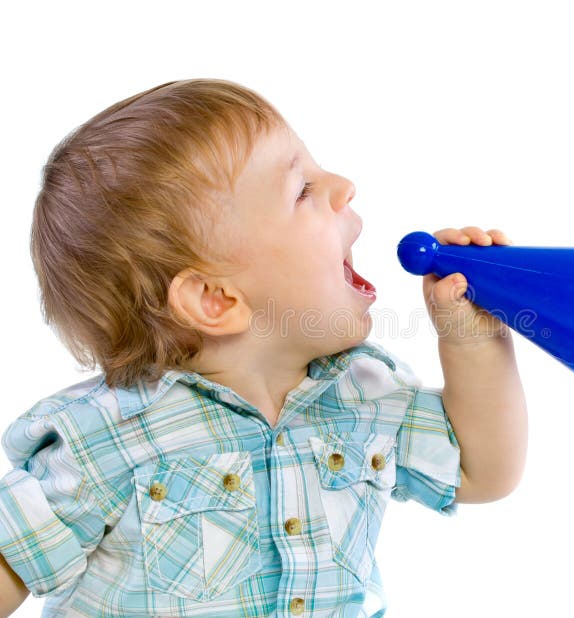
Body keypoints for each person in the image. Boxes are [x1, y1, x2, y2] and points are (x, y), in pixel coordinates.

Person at [0, 78, 527, 617]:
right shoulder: (105, 437)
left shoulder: (364, 394)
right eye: (301, 190)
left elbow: (479, 471)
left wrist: (475, 338)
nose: (344, 185)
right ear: (215, 299)